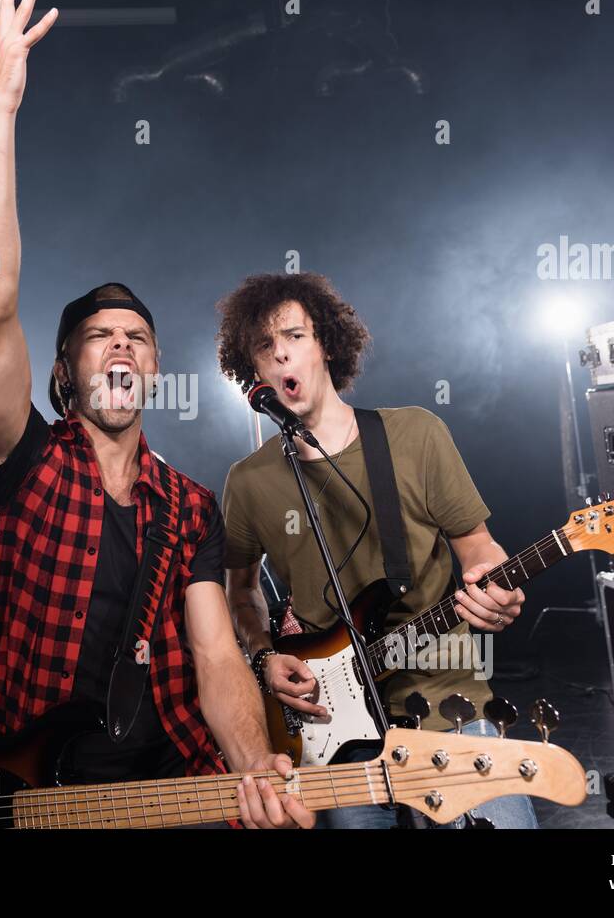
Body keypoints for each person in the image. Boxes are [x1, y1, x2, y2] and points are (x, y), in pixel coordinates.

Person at [0, 0, 312, 829]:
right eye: (98, 334)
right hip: (39, 792)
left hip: (170, 780)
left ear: (153, 367)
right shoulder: (23, 459)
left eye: (137, 335)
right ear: (65, 372)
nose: (120, 342)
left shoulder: (189, 507)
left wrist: (251, 763)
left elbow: (217, 656)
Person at [216, 271, 539, 829]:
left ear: (327, 345)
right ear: (256, 374)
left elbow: (479, 546)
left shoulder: (415, 435)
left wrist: (495, 583)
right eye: (265, 348)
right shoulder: (248, 481)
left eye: (294, 336)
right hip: (328, 725)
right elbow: (241, 592)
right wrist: (265, 657)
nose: (282, 356)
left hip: (445, 700)